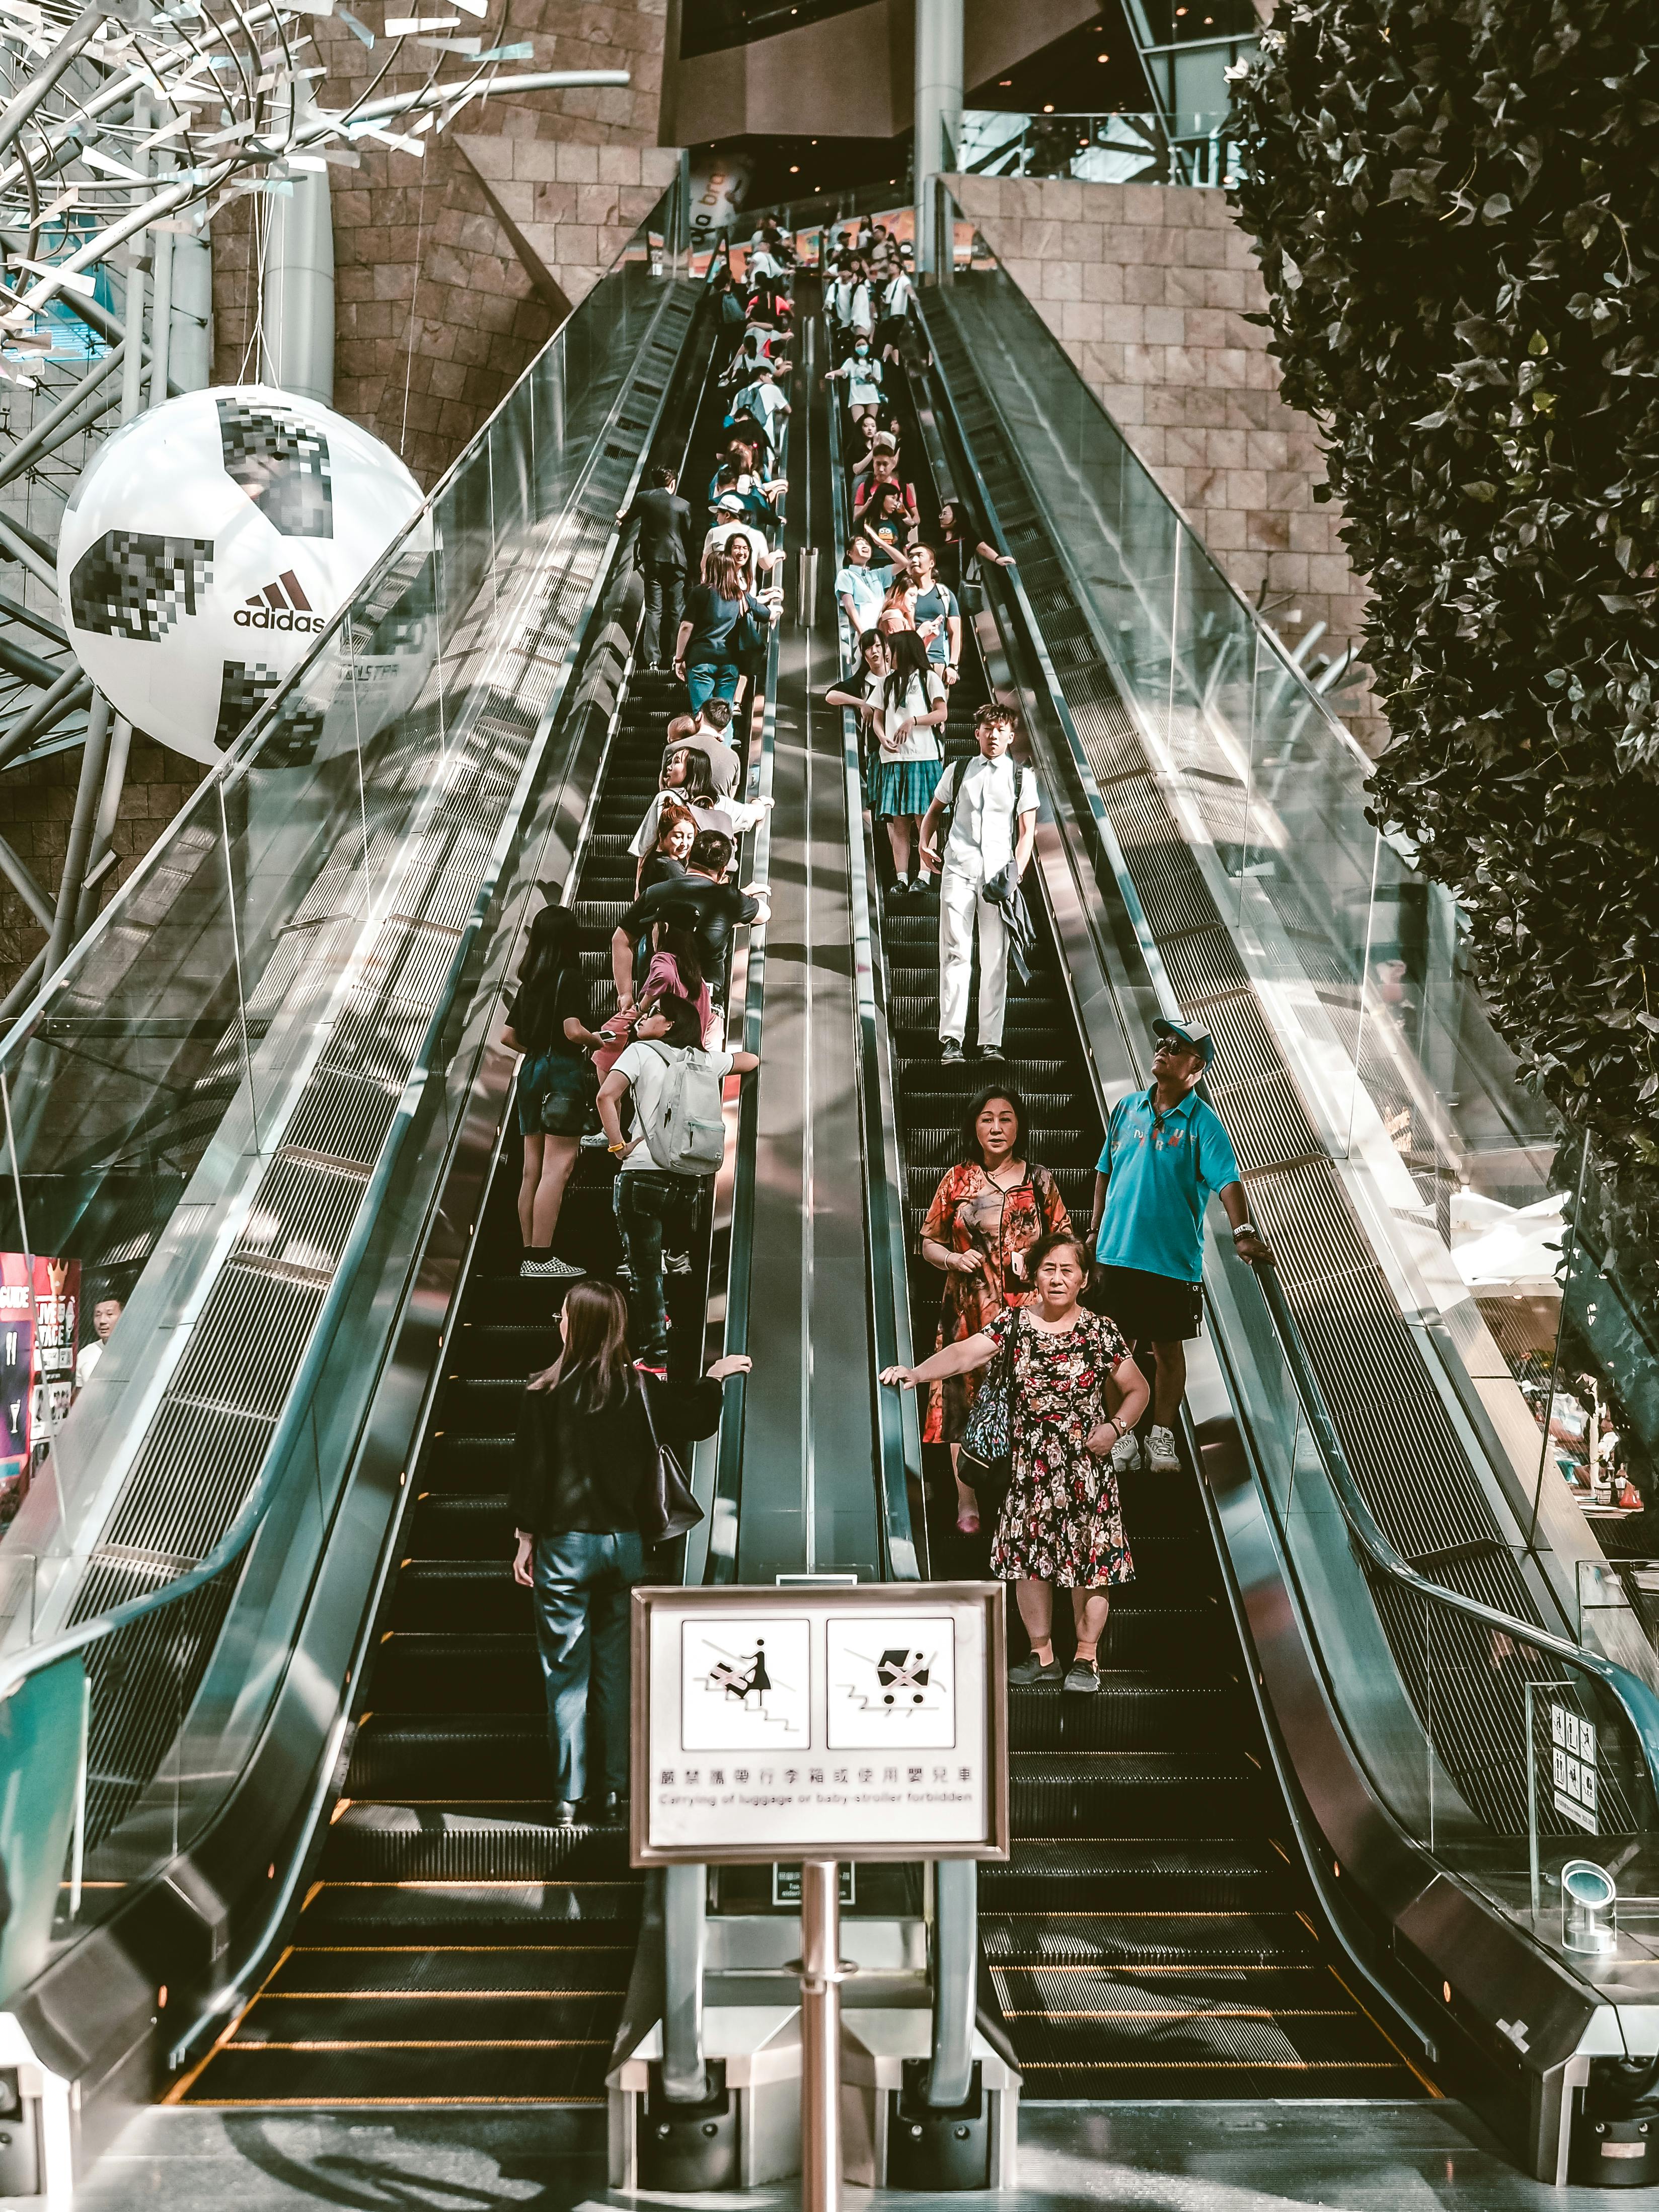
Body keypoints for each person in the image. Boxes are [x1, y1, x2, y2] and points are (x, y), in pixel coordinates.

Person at [510, 1276, 751, 1822]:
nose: (560, 1321)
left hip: (565, 1546)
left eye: (564, 1315)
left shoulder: (541, 1391)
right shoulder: (641, 1388)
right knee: (616, 1667)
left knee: (567, 1670)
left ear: (579, 1325)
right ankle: (616, 1790)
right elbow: (695, 1422)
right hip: (624, 1546)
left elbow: (531, 1474)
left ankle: (569, 1796)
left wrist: (525, 1539)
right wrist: (712, 1378)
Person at [883, 1231, 1149, 1694]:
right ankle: (1041, 1653)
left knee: (1092, 1563)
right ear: (1034, 1275)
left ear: (1084, 1279)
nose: (1058, 1278)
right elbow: (966, 1352)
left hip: (1086, 1468)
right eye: (1050, 1269)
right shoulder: (1016, 1323)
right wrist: (917, 1372)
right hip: (1029, 1467)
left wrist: (1116, 1428)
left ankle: (1086, 1659)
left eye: (1068, 1270)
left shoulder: (1101, 1330)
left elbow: (1138, 1388)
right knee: (1028, 1562)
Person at [1089, 1017, 1272, 1474]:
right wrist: (1094, 1233)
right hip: (1117, 1254)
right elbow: (1104, 1172)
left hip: (1172, 1263)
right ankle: (1122, 1433)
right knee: (1117, 1350)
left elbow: (1227, 1181)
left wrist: (1243, 1231)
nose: (1164, 1049)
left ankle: (1163, 1437)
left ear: (1197, 1067)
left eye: (1177, 1046)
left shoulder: (1204, 1125)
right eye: (1162, 1042)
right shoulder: (1127, 1108)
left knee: (1168, 1352)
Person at [921, 1087, 1073, 1533]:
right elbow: (928, 1240)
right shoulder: (957, 1179)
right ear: (974, 1126)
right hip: (967, 1308)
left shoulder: (1040, 1180)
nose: (996, 1128)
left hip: (1028, 1312)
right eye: (987, 1119)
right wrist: (952, 1259)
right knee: (958, 1400)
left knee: (1029, 1402)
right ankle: (966, 1500)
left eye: (1006, 1119)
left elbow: (1067, 1236)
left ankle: (1025, 1498)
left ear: (1019, 1126)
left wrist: (1042, 1257)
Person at [598, 993, 760, 1373]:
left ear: (669, 1024)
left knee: (644, 1270)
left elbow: (607, 1096)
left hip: (642, 1175)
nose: (644, 1016)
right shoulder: (702, 1058)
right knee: (667, 1259)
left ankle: (656, 1357)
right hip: (687, 1179)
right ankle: (668, 1311)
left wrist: (618, 1146)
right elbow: (750, 1060)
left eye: (653, 1013)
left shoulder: (640, 1053)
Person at [920, 700, 1039, 1065]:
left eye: (1001, 730)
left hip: (997, 878)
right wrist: (924, 847)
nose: (994, 735)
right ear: (977, 733)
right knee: (956, 953)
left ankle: (991, 1042)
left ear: (1011, 735)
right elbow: (933, 813)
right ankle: (952, 1040)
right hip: (958, 870)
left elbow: (1027, 832)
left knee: (995, 958)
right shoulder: (958, 771)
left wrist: (1014, 876)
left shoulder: (1022, 777)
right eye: (988, 729)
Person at [502, 904, 602, 1280]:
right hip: (561, 1074)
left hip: (531, 1075)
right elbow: (573, 1030)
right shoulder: (570, 977)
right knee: (558, 1169)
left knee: (532, 1171)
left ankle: (530, 1255)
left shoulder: (530, 983)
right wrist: (596, 1042)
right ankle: (544, 1259)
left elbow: (507, 1037)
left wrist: (539, 1053)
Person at [613, 827, 770, 1021]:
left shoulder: (655, 893)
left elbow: (621, 940)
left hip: (659, 1004)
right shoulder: (729, 898)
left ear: (688, 859)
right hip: (707, 1008)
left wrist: (625, 994)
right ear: (722, 870)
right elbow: (764, 914)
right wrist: (738, 902)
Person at [869, 628, 946, 895]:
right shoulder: (885, 683)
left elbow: (941, 713)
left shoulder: (929, 678)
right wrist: (882, 738)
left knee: (924, 818)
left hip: (923, 757)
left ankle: (924, 876)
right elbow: (877, 718)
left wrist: (913, 721)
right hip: (892, 759)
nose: (888, 654)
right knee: (899, 822)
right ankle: (901, 877)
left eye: (892, 650)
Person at [674, 543, 778, 714]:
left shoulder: (700, 592)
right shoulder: (740, 595)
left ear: (710, 569)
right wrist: (777, 606)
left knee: (702, 713)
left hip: (701, 660)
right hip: (729, 661)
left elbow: (686, 627)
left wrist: (679, 659)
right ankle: (725, 739)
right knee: (723, 713)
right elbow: (767, 615)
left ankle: (704, 738)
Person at [617, 465, 693, 671]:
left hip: (653, 562)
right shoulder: (683, 505)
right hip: (677, 561)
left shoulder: (644, 498)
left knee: (654, 610)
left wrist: (622, 516)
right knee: (677, 610)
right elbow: (688, 536)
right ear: (673, 483)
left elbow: (628, 517)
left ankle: (652, 660)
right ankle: (675, 657)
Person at [938, 500, 1014, 620]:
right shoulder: (938, 535)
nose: (941, 517)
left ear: (956, 518)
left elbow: (982, 548)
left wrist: (998, 559)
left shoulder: (966, 535)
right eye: (941, 514)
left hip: (950, 589)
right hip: (932, 583)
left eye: (945, 514)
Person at [825, 627, 888, 769]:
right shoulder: (862, 681)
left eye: (878, 646)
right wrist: (862, 704)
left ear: (886, 648)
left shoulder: (897, 677)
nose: (875, 651)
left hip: (903, 749)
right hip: (876, 751)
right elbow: (831, 696)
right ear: (863, 654)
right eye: (869, 648)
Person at [663, 695, 742, 798]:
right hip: (716, 813)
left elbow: (665, 787)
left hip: (680, 812)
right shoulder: (734, 757)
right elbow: (730, 797)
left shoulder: (673, 749)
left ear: (699, 716)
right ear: (724, 729)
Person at [908, 544, 961, 685]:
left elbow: (955, 632)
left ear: (932, 563)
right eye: (911, 556)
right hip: (909, 662)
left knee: (938, 706)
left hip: (937, 663)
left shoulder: (944, 593)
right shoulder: (904, 592)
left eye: (919, 555)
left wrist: (953, 665)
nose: (914, 560)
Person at [725, 359, 790, 458]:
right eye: (770, 376)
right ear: (762, 377)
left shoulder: (740, 394)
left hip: (742, 439)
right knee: (765, 462)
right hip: (763, 439)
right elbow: (788, 410)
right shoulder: (772, 389)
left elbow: (732, 416)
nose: (772, 380)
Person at [834, 531, 890, 641]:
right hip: (862, 633)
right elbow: (849, 606)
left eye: (867, 543)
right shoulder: (845, 574)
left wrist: (880, 542)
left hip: (881, 633)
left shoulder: (877, 574)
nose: (865, 545)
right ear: (849, 553)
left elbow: (903, 563)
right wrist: (862, 633)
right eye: (860, 543)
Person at [636, 798, 697, 895]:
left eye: (690, 837)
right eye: (678, 837)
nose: (685, 843)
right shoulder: (670, 867)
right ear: (662, 836)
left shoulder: (652, 859)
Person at [824, 335, 883, 424]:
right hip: (856, 398)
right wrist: (833, 373)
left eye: (863, 344)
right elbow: (842, 371)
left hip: (872, 398)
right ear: (854, 348)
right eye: (858, 345)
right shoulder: (851, 361)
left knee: (871, 425)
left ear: (868, 345)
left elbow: (878, 382)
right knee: (859, 425)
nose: (861, 347)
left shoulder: (875, 363)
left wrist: (872, 378)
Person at [74, 1293, 122, 1389]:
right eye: (98, 1315)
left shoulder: (136, 1353)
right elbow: (80, 1398)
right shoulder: (85, 1353)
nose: (102, 1321)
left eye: (109, 1314)